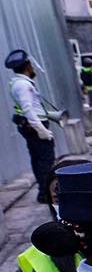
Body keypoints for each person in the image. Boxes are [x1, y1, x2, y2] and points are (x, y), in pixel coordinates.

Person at [6, 48, 58, 203]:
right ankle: (46, 193)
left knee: (37, 159)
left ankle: (43, 191)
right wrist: (41, 129)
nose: (33, 68)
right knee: (45, 160)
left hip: (29, 126)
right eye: (31, 65)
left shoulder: (18, 82)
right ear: (27, 66)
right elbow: (28, 109)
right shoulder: (23, 85)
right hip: (34, 127)